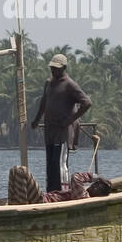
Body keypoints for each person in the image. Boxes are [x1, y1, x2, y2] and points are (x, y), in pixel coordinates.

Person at [29, 53, 91, 192]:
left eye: (56, 68)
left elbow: (86, 103)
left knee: (60, 163)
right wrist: (37, 119)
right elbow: (44, 102)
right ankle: (51, 191)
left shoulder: (70, 85)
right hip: (50, 130)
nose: (53, 70)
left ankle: (63, 192)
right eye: (52, 67)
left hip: (62, 131)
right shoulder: (49, 83)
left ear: (64, 68)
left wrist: (70, 120)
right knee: (50, 162)